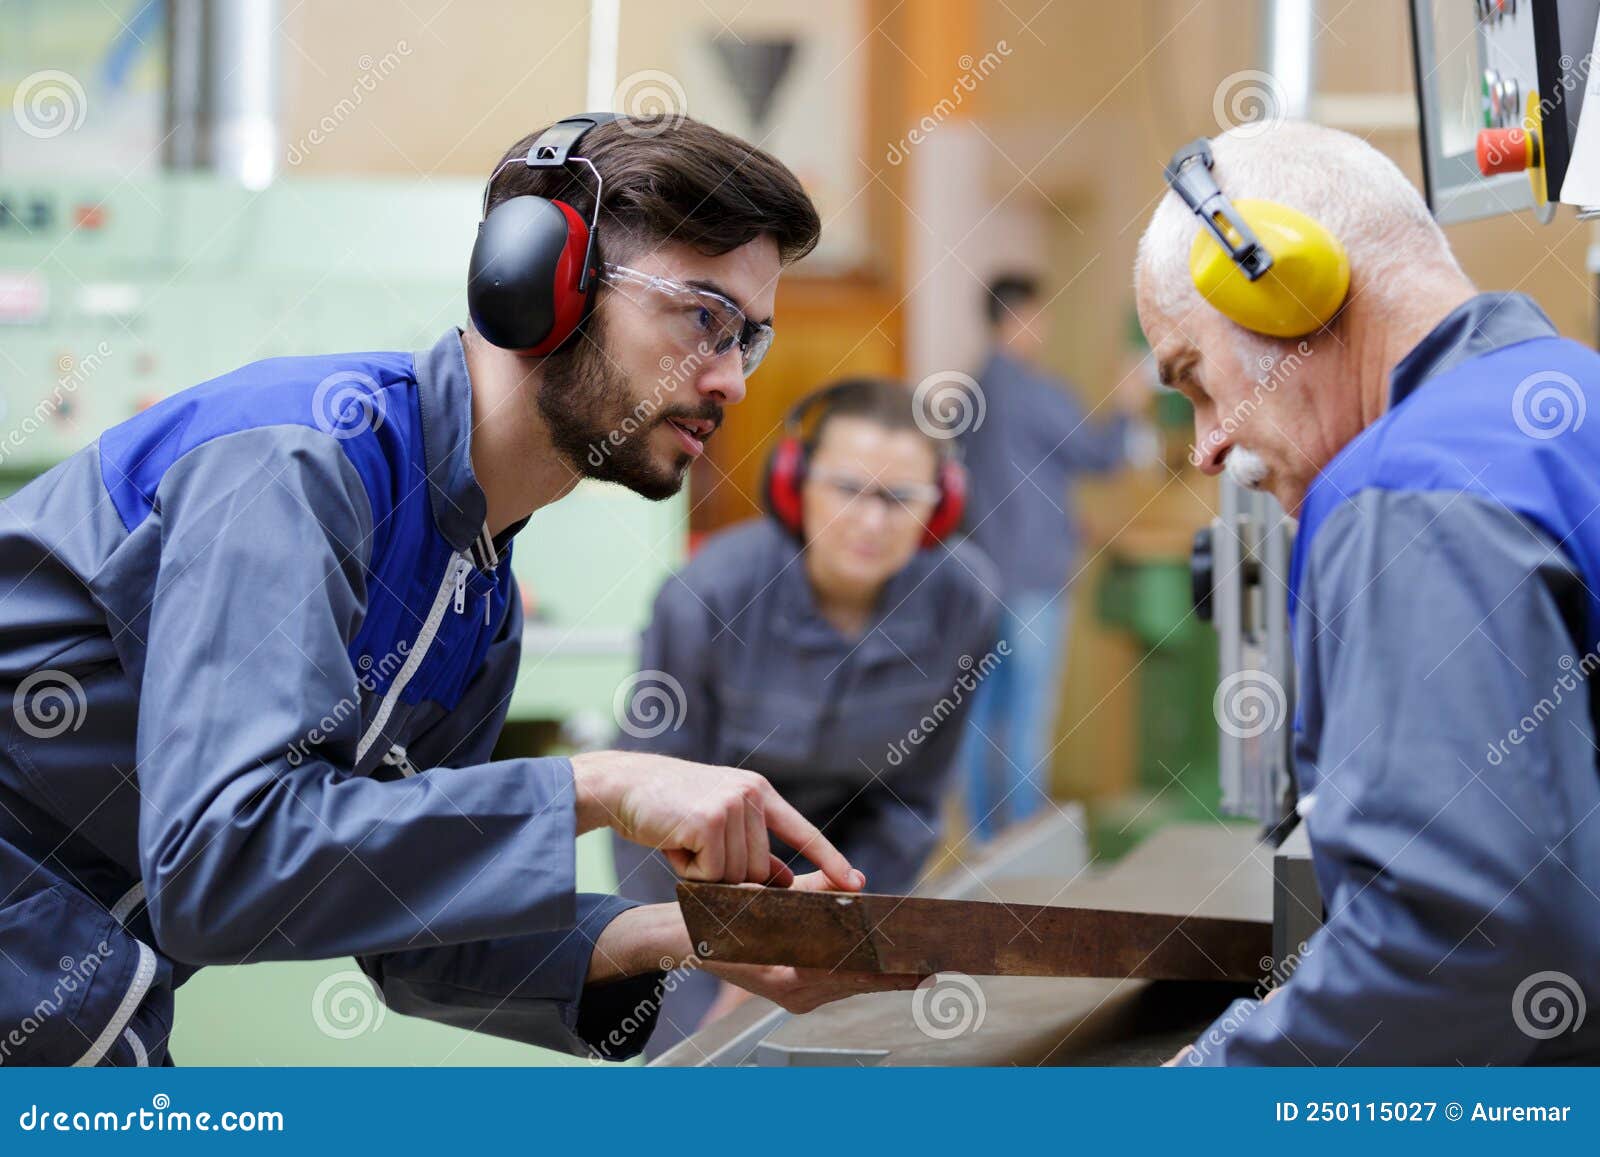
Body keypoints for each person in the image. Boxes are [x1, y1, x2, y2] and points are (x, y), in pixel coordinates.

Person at [0, 113, 923, 1068]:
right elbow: (221, 860)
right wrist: (599, 784)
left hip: (73, 973)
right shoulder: (302, 466)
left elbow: (417, 938)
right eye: (703, 317)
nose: (730, 379)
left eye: (750, 340)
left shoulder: (477, 600)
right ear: (542, 284)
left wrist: (692, 934)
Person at [1136, 120, 1600, 1064]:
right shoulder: (1568, 401)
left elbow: (1463, 941)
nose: (1207, 446)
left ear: (1281, 282)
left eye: (1195, 380)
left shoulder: (1410, 489)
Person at [611, 378, 1001, 1055]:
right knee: (698, 1062)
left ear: (942, 506)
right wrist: (723, 958)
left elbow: (908, 807)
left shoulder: (965, 603)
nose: (872, 521)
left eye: (901, 497)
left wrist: (827, 930)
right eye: (849, 488)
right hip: (693, 893)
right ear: (795, 484)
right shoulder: (706, 598)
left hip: (848, 893)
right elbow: (650, 817)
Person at [956, 274, 1143, 840]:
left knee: (983, 721)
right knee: (1030, 721)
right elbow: (1102, 455)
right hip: (1035, 581)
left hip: (981, 579)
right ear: (1020, 318)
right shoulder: (1037, 391)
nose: (1045, 328)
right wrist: (1130, 405)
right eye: (1040, 317)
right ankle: (1024, 850)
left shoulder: (969, 391)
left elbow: (1003, 482)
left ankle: (985, 844)